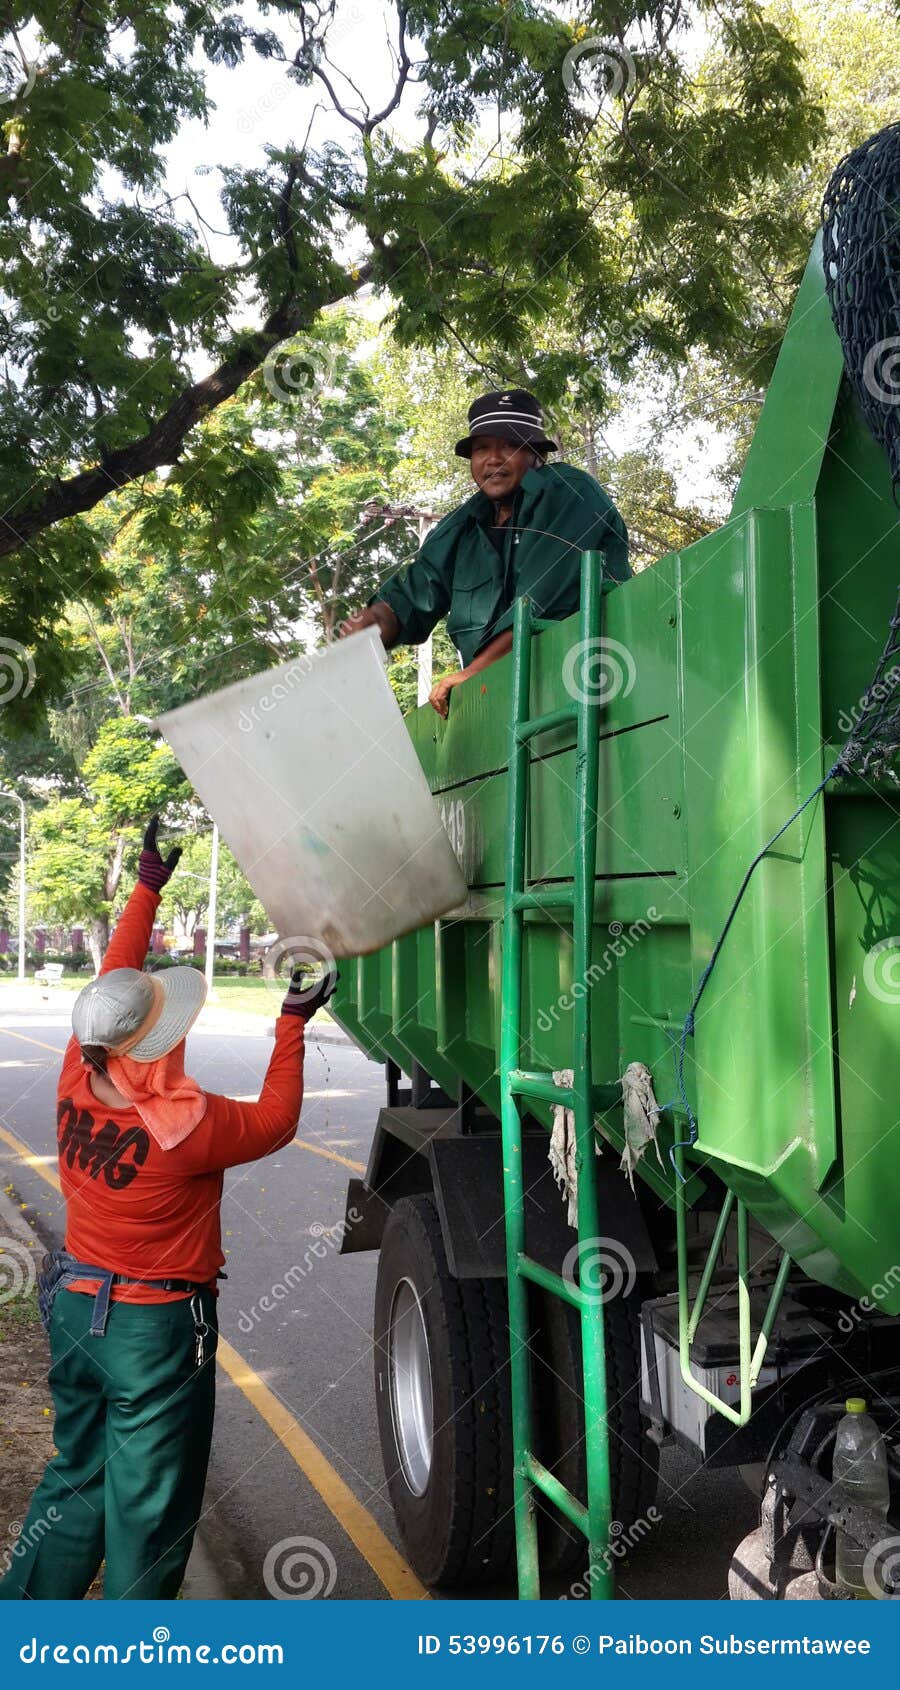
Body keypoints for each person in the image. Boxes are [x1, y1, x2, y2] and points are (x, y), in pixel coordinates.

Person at [0, 818, 334, 1602]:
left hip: (77, 1310)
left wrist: (147, 887)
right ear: (156, 1046)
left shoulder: (77, 1080)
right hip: (153, 1332)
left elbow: (111, 987)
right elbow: (278, 1119)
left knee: (77, 1477)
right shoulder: (185, 1127)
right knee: (149, 1511)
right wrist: (291, 1022)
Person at [339, 388, 630, 717]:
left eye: (510, 444)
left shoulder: (567, 492)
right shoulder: (462, 526)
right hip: (502, 707)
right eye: (482, 448)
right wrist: (373, 623)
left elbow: (536, 605)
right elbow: (412, 596)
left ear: (538, 455)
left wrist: (473, 673)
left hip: (594, 690)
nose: (494, 458)